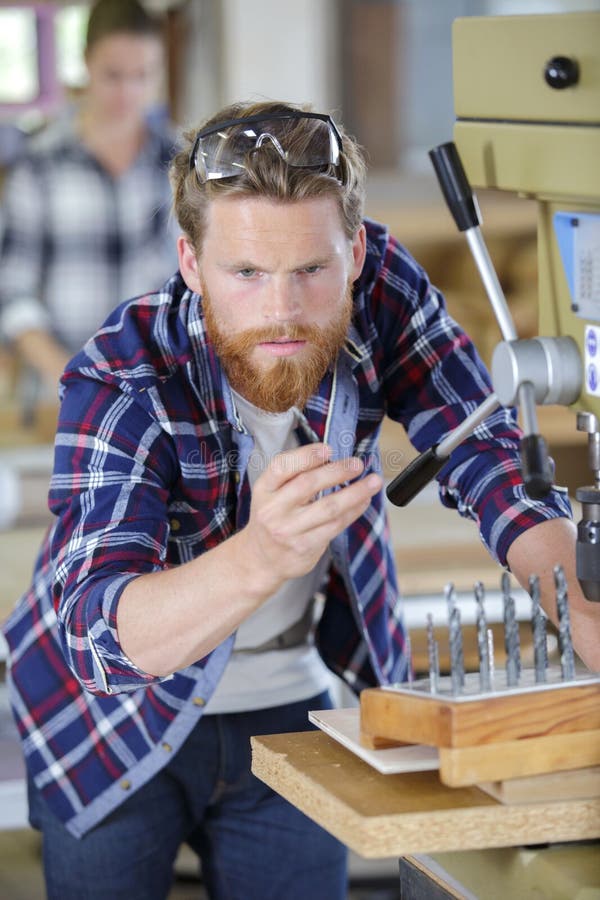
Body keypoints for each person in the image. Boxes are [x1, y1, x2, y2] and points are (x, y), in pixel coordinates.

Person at [3, 99, 599, 900]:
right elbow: (96, 634)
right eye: (245, 274)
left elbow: (481, 448)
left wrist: (578, 598)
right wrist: (260, 555)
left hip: (295, 697)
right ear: (190, 260)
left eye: (311, 271)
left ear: (353, 251)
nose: (281, 310)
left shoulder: (379, 287)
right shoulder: (124, 371)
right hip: (108, 726)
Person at [0, 0, 178, 392]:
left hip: (165, 384)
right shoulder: (39, 164)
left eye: (143, 75)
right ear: (85, 63)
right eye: (113, 75)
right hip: (63, 390)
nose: (129, 91)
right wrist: (72, 375)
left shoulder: (181, 161)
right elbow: (12, 293)